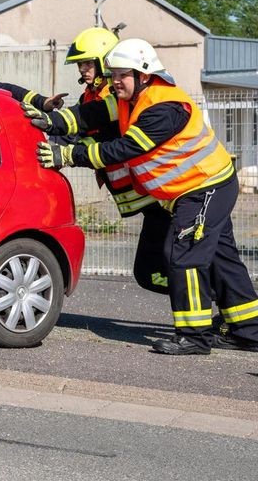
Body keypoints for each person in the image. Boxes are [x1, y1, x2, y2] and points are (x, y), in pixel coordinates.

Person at [32, 38, 258, 355]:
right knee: (221, 258)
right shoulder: (129, 98)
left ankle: (194, 337)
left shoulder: (163, 107)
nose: (115, 81)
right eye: (113, 74)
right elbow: (91, 114)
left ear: (143, 75)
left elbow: (127, 148)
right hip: (198, 188)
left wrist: (70, 154)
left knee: (182, 254)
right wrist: (52, 121)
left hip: (203, 187)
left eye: (122, 75)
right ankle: (248, 331)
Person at [27, 27, 168, 294]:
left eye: (88, 62)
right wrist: (43, 136)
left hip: (156, 193)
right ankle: (200, 303)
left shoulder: (116, 96)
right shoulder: (89, 96)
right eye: (80, 63)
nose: (82, 69)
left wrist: (67, 156)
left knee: (164, 268)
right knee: (153, 271)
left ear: (106, 61)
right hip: (142, 195)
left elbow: (107, 141)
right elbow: (78, 133)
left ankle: (202, 303)